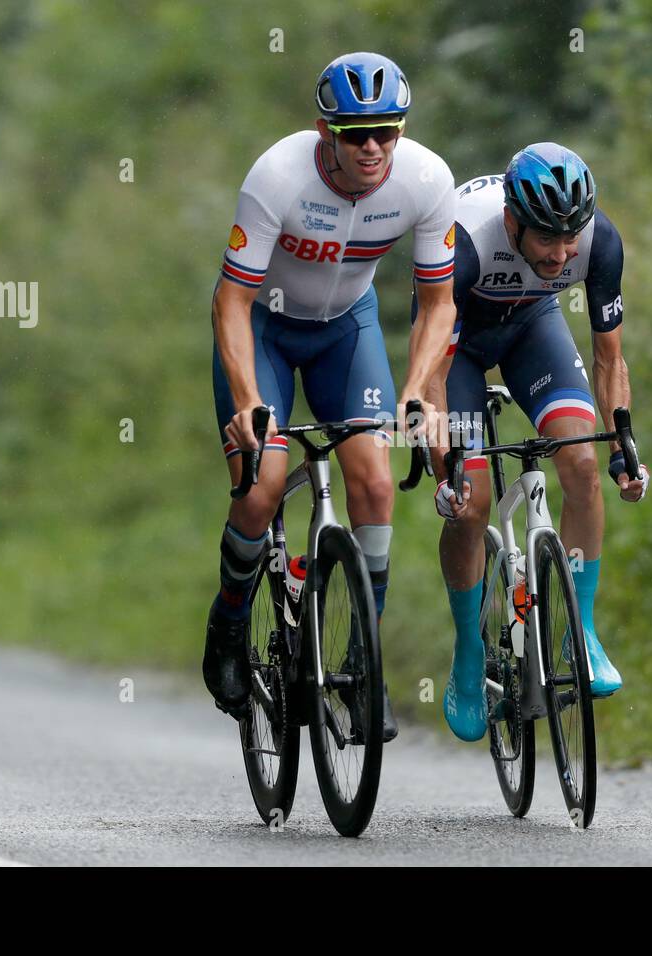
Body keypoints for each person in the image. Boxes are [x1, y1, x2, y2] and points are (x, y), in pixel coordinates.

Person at [205, 52, 458, 743]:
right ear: (326, 131)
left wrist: (415, 391)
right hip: (266, 330)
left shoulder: (428, 180)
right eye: (355, 133)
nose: (372, 147)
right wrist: (250, 399)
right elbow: (232, 301)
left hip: (348, 330)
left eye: (386, 131)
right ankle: (229, 625)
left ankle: (361, 664)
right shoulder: (276, 177)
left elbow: (439, 304)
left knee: (376, 482)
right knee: (264, 486)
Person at [427, 143, 648, 741]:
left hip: (532, 329)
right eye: (546, 239)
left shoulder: (598, 242)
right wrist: (443, 459)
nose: (561, 252)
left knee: (579, 464)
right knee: (469, 505)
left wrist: (622, 443)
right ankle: (469, 659)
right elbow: (430, 370)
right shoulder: (464, 243)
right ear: (512, 222)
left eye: (570, 237)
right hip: (460, 350)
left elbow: (610, 359)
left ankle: (584, 634)